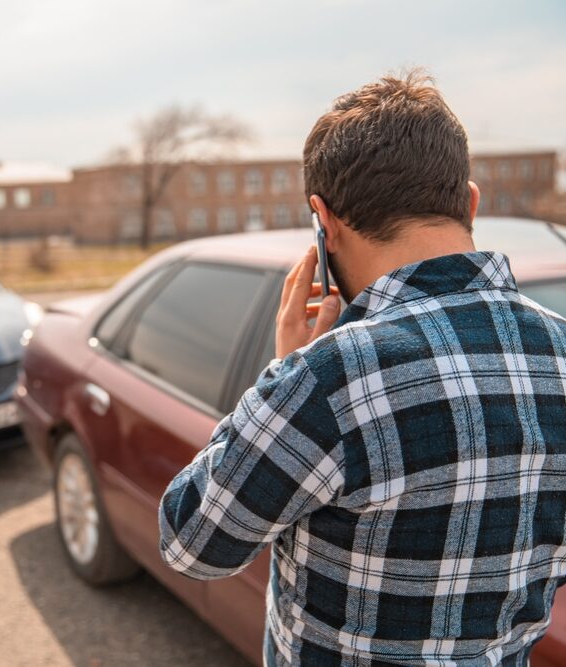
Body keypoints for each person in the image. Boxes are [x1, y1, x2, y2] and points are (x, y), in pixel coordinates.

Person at [159, 70, 566, 665]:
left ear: (324, 222)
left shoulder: (328, 379)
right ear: (470, 201)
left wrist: (285, 371)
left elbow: (191, 543)